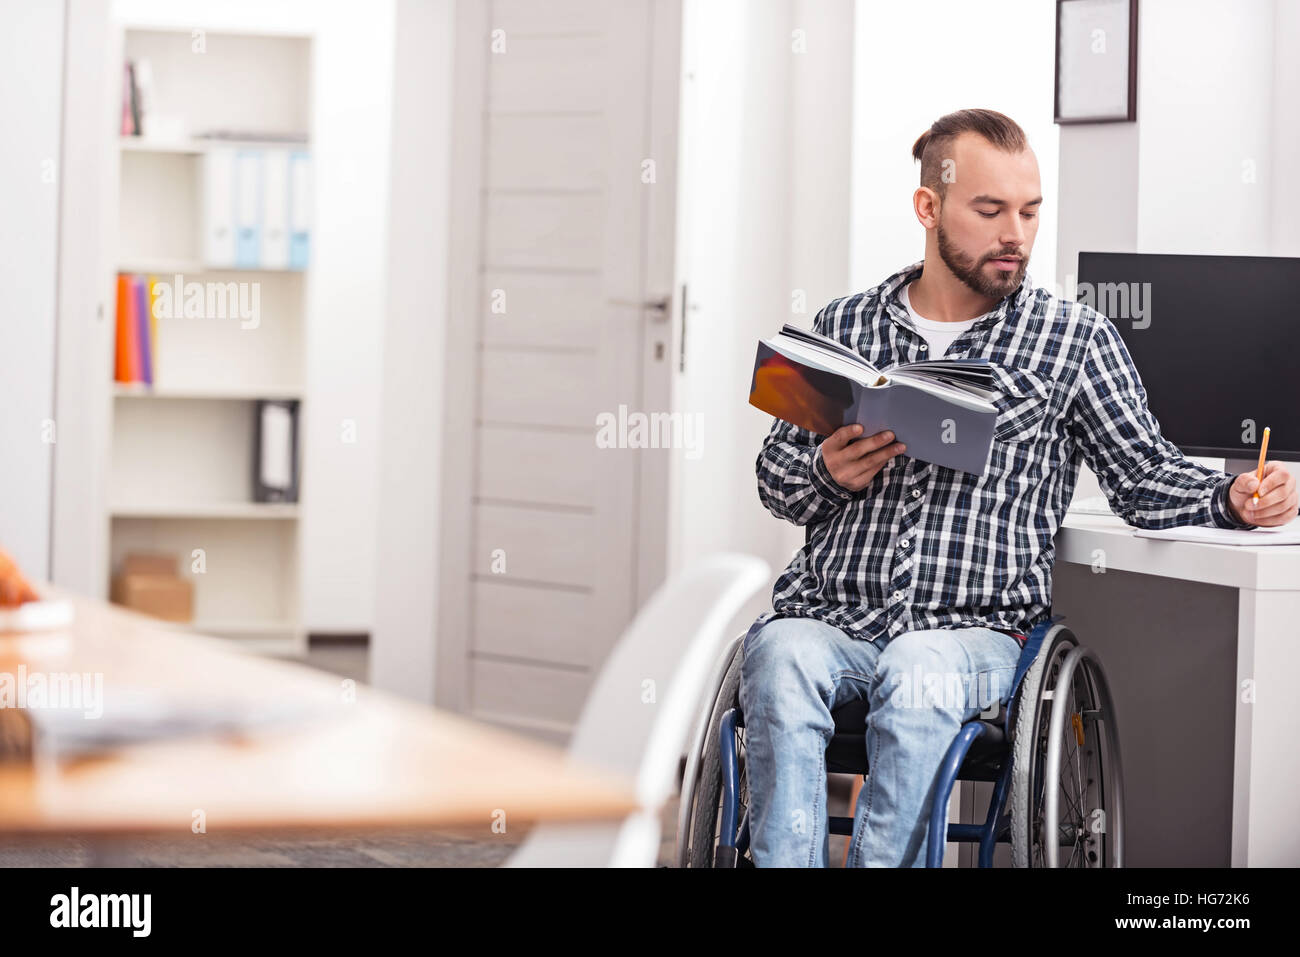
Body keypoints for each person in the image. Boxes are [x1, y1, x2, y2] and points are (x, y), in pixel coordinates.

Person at [742, 108, 1299, 868]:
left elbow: (1142, 475)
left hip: (977, 631)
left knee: (917, 670)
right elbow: (776, 484)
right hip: (835, 611)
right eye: (991, 209)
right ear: (928, 208)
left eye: (1031, 211)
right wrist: (826, 472)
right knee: (775, 654)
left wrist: (1231, 497)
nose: (1016, 233)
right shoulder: (841, 325)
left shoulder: (1073, 339)